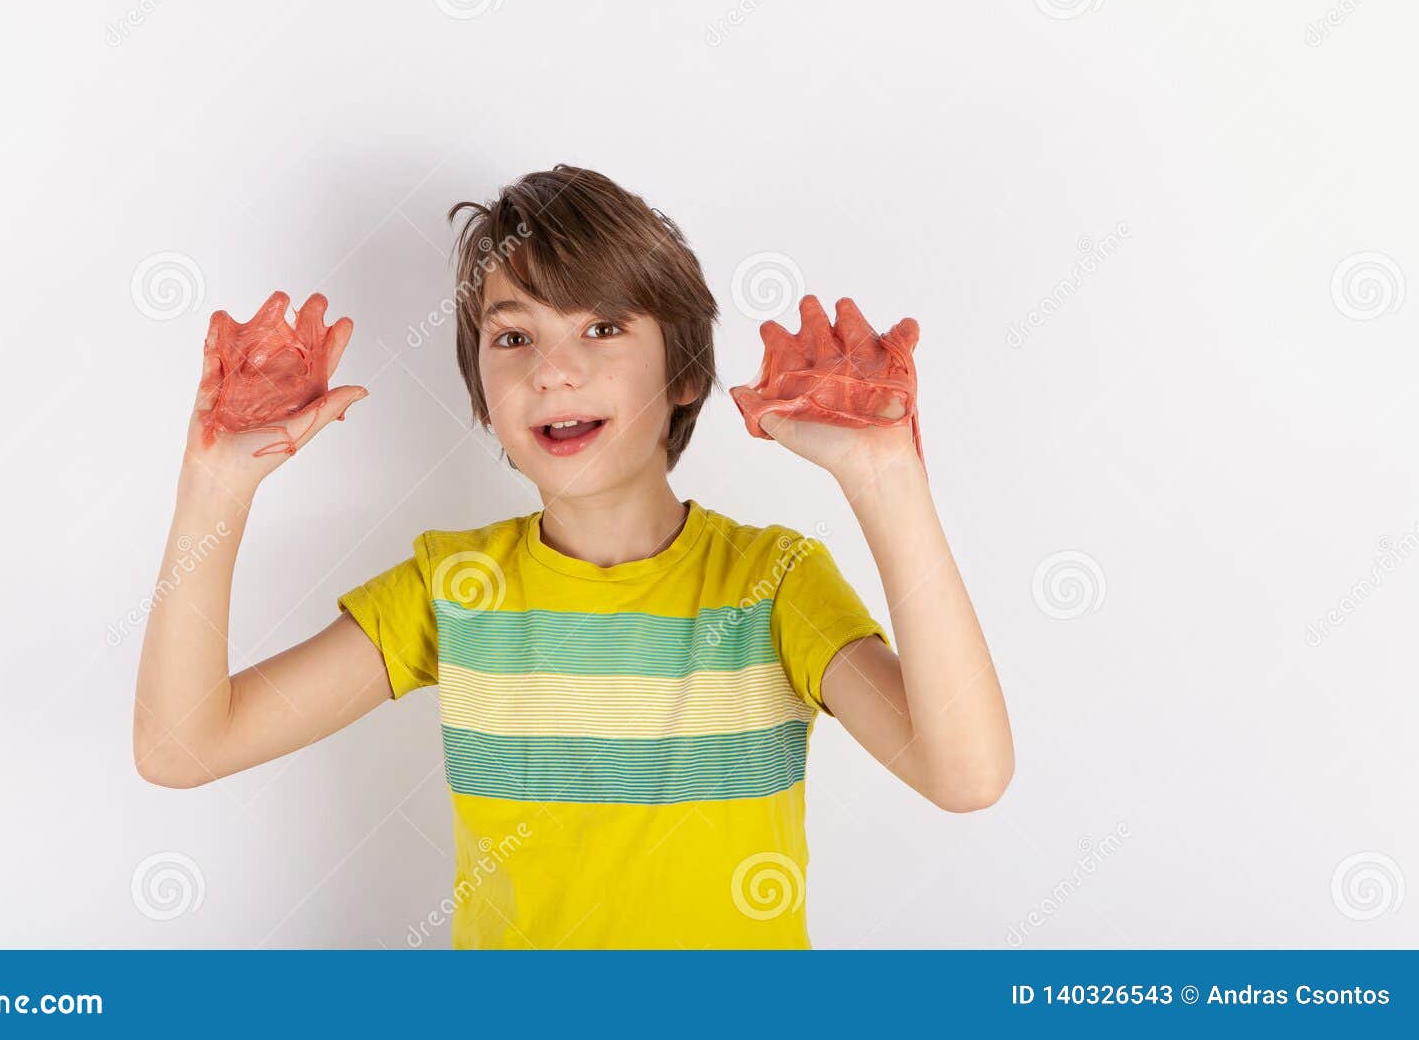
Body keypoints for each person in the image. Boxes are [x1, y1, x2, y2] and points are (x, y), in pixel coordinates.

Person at [132, 164, 1013, 948]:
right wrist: (215, 485)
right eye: (514, 337)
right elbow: (181, 747)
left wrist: (885, 477)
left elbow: (967, 775)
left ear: (685, 372)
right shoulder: (451, 590)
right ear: (483, 393)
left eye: (602, 328)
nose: (552, 370)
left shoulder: (775, 582)